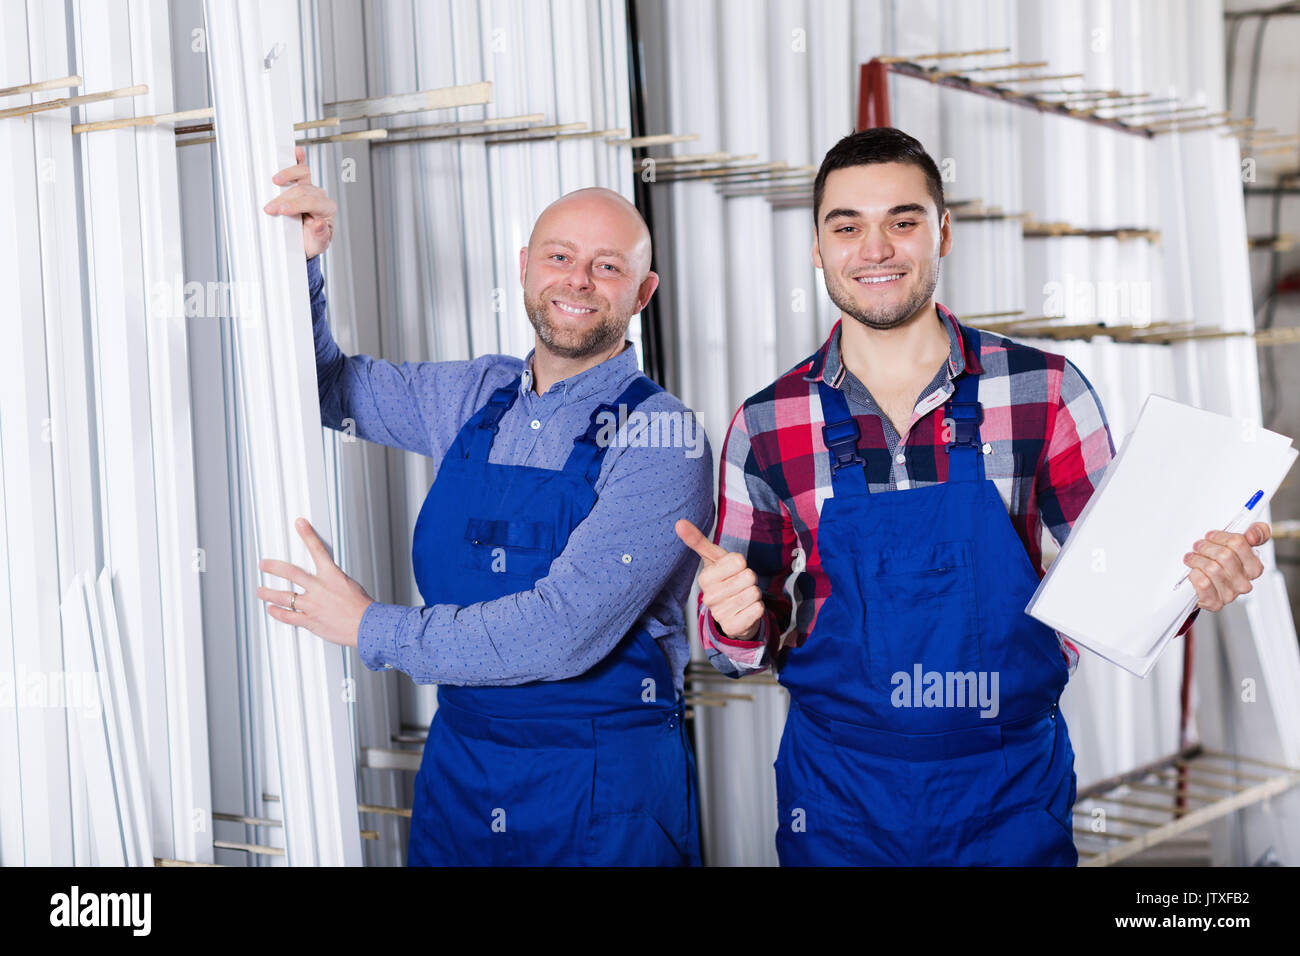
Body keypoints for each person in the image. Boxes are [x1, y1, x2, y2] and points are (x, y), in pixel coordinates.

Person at [676, 127, 1272, 866]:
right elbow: (740, 645)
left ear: (942, 232)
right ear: (817, 249)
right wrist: (732, 622)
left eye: (903, 220)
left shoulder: (1046, 392)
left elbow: (1114, 593)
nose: (876, 248)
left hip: (1007, 789)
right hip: (839, 800)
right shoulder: (766, 422)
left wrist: (1190, 583)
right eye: (847, 226)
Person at [257, 147, 713, 866]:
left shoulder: (665, 439)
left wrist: (370, 627)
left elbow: (559, 633)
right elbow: (324, 388)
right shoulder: (471, 395)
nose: (578, 280)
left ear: (643, 291)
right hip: (464, 775)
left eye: (608, 266)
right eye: (560, 256)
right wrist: (300, 260)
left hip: (603, 790)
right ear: (526, 263)